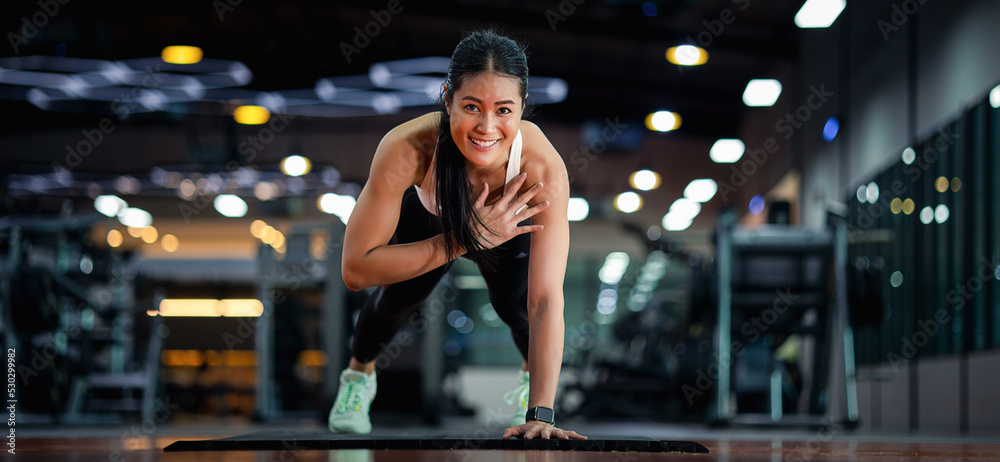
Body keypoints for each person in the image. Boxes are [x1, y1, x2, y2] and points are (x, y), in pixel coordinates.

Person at [327, 29, 585, 441]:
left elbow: (546, 299)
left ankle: (529, 377)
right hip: (434, 218)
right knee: (398, 299)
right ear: (447, 99)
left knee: (517, 308)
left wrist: (541, 415)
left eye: (504, 110)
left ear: (522, 109)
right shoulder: (409, 148)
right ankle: (359, 376)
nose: (486, 127)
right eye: (471, 106)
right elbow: (356, 270)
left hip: (509, 225)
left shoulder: (540, 166)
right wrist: (467, 238)